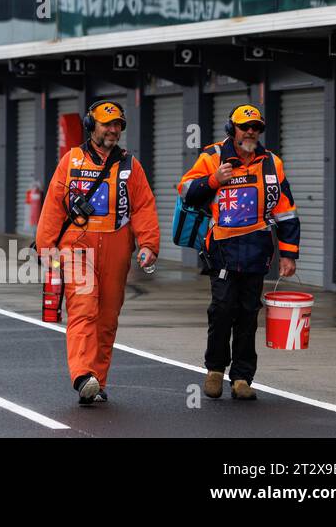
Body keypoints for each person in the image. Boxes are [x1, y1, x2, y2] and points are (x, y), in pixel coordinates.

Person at [36, 99, 159, 406]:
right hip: (77, 246)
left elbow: (143, 206)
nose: (113, 130)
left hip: (117, 246)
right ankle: (81, 374)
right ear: (92, 126)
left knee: (107, 317)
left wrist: (148, 244)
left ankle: (96, 382)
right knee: (83, 308)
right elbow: (53, 205)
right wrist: (46, 247)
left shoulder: (131, 165)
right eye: (107, 124)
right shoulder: (71, 160)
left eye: (117, 125)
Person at [179, 104, 300, 402]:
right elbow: (185, 191)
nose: (250, 132)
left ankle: (243, 377)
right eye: (245, 127)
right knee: (221, 309)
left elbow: (286, 211)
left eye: (255, 127)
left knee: (248, 313)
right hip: (221, 248)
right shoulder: (211, 156)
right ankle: (215, 370)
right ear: (231, 128)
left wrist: (289, 254)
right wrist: (213, 180)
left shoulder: (272, 163)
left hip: (257, 250)